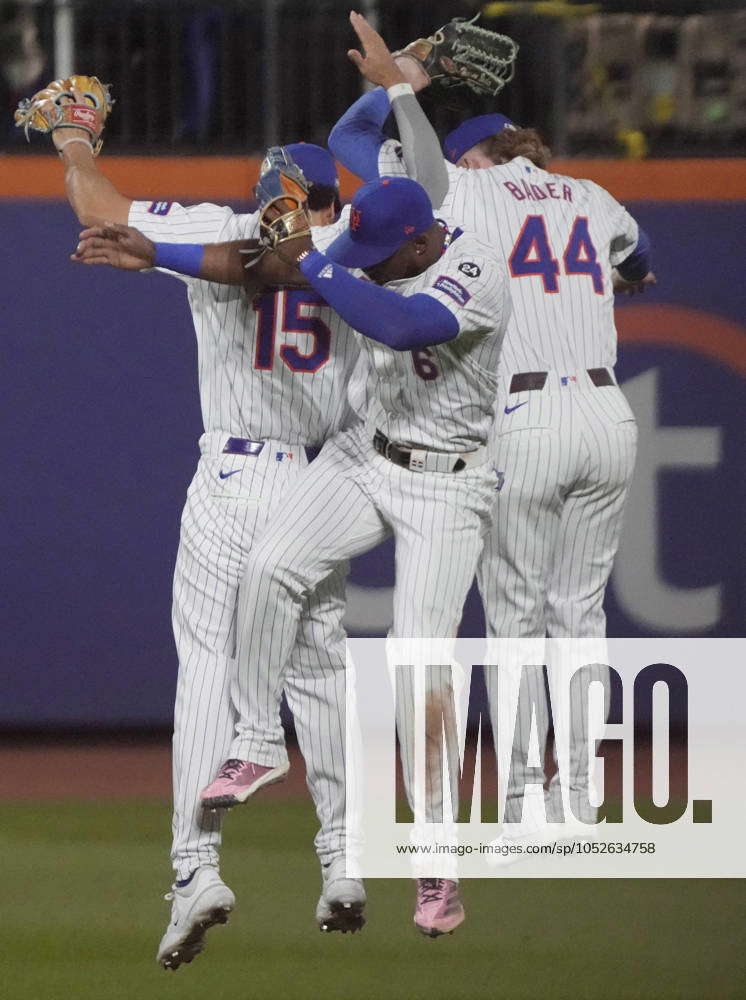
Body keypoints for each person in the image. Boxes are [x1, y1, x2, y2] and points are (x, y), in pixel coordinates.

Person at [328, 12, 655, 856]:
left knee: (514, 616)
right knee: (580, 615)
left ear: (470, 155)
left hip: (526, 417)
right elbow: (641, 265)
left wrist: (409, 72)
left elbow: (349, 139)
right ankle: (579, 793)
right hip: (609, 416)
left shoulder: (464, 193)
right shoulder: (590, 193)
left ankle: (520, 796)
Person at [51, 98, 367, 964]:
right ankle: (342, 856)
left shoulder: (213, 226)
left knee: (209, 667)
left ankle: (196, 868)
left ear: (272, 194)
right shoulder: (358, 247)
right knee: (318, 667)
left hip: (236, 474)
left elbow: (97, 208)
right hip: (323, 479)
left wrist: (75, 134)